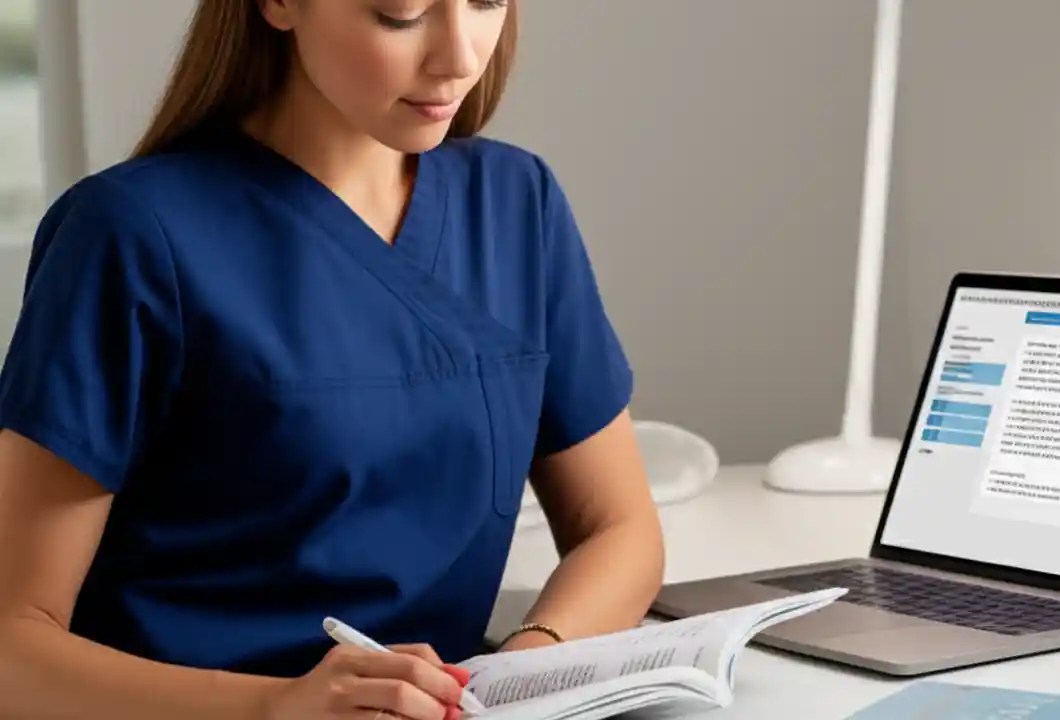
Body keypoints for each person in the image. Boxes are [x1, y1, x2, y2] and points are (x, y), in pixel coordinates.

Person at [0, 1, 665, 718]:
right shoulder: (128, 234)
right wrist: (279, 708)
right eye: (400, 14)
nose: (461, 58)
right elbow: (13, 644)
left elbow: (620, 529)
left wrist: (520, 672)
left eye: (486, 3)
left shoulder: (514, 204)